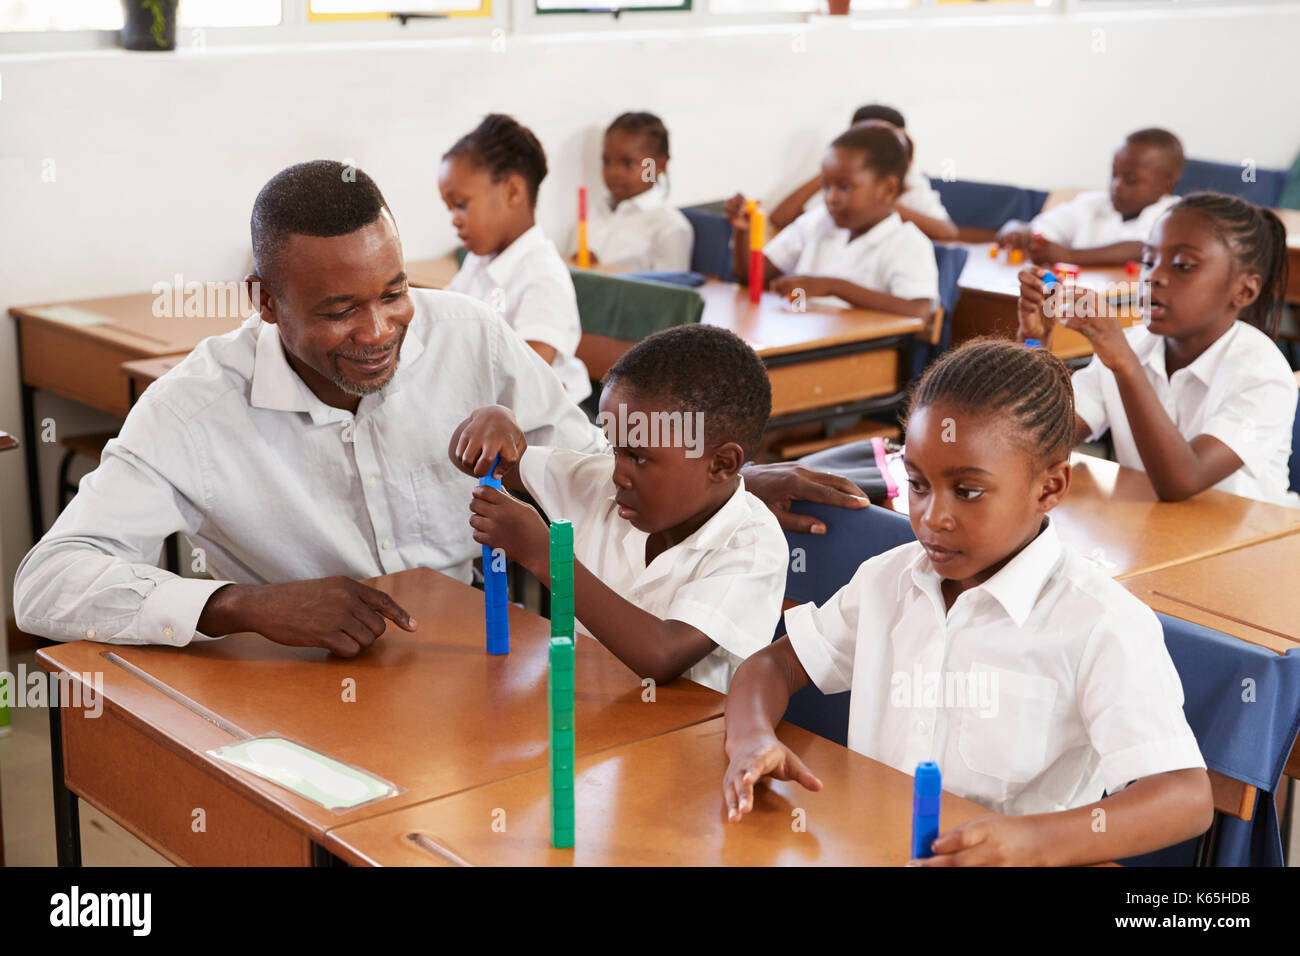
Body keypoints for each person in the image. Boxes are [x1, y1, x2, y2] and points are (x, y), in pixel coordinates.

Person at [13, 161, 872, 655]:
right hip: (309, 681)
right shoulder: (196, 408)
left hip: (488, 662)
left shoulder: (468, 336)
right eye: (340, 310)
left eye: (393, 292)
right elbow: (45, 584)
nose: (380, 330)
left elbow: (591, 469)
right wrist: (240, 605)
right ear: (265, 303)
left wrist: (732, 480)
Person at [722, 339, 1212, 865]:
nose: (933, 517)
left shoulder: (1101, 624)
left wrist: (1031, 842)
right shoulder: (888, 580)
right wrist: (749, 739)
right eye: (917, 484)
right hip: (869, 846)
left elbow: (1184, 797)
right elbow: (773, 665)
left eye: (969, 491)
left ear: (1050, 487)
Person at [451, 325, 785, 692]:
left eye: (639, 458)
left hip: (686, 742)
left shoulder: (751, 545)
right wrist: (492, 419)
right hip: (591, 725)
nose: (618, 474)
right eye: (615, 449)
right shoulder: (596, 484)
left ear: (721, 464)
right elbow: (485, 457)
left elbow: (662, 656)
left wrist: (544, 556)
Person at [1018, 190, 1297, 506]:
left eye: (1182, 265)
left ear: (1244, 291)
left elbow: (1181, 482)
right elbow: (1037, 442)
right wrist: (1035, 343)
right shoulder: (1134, 344)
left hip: (1254, 543)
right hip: (1153, 529)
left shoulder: (1261, 373)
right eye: (1148, 261)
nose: (1154, 278)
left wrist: (1124, 363)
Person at [439, 113, 590, 402]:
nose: (454, 220)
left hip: (550, 425)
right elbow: (443, 323)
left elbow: (526, 374)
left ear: (512, 191)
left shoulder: (542, 276)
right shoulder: (479, 261)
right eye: (449, 209)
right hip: (492, 407)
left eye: (460, 205)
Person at [727, 121, 938, 318]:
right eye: (826, 186)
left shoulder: (907, 242)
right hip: (801, 336)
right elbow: (752, 277)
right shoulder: (817, 221)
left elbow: (919, 310)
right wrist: (743, 231)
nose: (831, 198)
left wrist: (835, 287)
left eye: (845, 187)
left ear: (888, 189)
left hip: (858, 353)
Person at [998, 128, 1185, 268]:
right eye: (1114, 175)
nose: (1117, 185)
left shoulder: (1175, 213)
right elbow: (1041, 229)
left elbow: (1141, 249)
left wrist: (1069, 257)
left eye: (1131, 180)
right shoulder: (1092, 203)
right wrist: (1018, 230)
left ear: (1165, 186)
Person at [769, 103, 957, 242]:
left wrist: (879, 204)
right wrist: (835, 176)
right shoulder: (838, 180)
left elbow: (947, 232)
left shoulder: (909, 179)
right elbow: (779, 219)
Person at [569, 111, 693, 272]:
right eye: (607, 161)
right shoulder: (593, 212)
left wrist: (600, 272)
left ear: (660, 165)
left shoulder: (670, 226)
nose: (614, 172)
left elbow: (670, 292)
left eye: (629, 164)